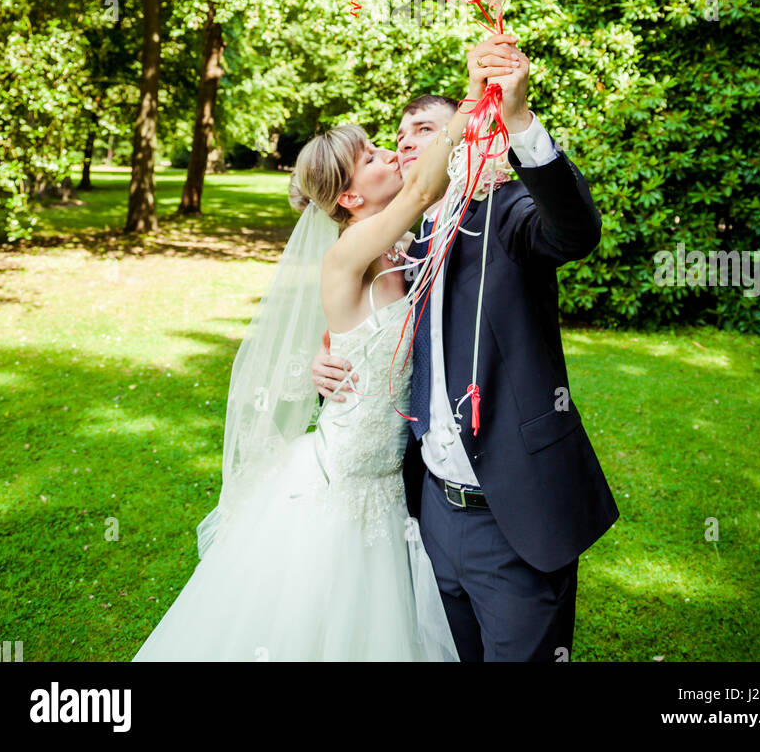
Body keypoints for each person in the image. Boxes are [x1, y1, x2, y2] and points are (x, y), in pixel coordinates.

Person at [131, 34, 519, 662]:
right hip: (337, 489)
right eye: (371, 156)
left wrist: (325, 360)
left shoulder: (407, 244)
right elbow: (422, 189)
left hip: (391, 487)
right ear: (348, 198)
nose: (390, 152)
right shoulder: (348, 255)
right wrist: (474, 104)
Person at [312, 36, 619, 662]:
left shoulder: (507, 211)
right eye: (396, 138)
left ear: (467, 124)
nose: (403, 144)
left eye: (422, 128)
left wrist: (519, 121)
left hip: (513, 512)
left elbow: (575, 232)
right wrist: (321, 365)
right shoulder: (404, 240)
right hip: (427, 512)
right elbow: (370, 331)